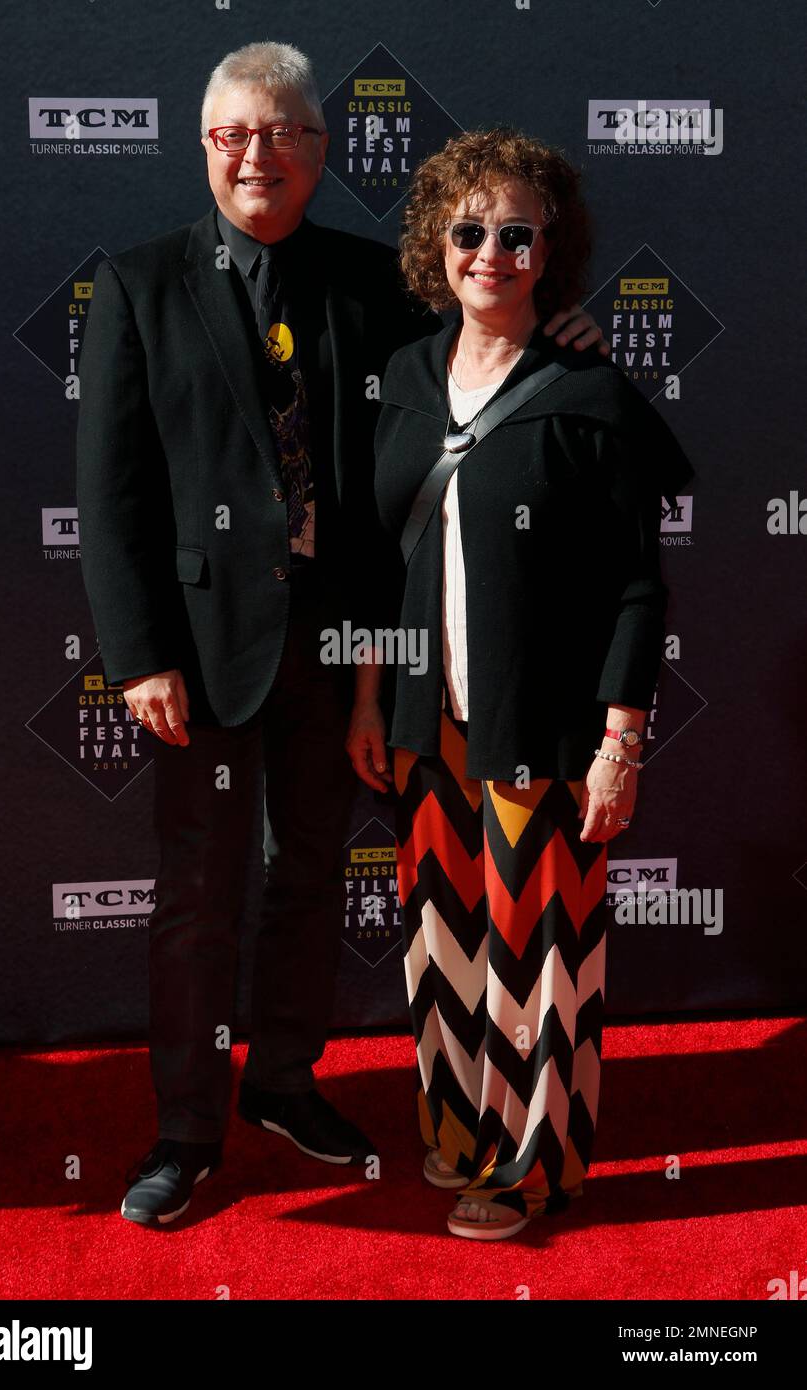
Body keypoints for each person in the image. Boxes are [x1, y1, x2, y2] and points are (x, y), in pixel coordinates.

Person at [76, 43, 610, 1228]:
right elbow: (109, 492)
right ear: (203, 147)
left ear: (319, 152)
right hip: (202, 652)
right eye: (231, 134)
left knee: (311, 876)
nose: (255, 154)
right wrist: (139, 652)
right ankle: (185, 1125)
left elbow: (478, 354)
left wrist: (566, 334)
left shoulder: (371, 284)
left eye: (280, 134)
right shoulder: (141, 283)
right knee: (199, 891)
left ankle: (281, 1081)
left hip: (335, 649)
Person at [347, 125, 694, 1240]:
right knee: (442, 936)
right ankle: (457, 1133)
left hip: (540, 720)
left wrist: (618, 741)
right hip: (420, 714)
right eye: (466, 231)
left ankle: (532, 1168)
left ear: (548, 251)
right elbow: (377, 557)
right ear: (433, 246)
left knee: (538, 949)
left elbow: (639, 588)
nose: (487, 252)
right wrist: (368, 694)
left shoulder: (586, 393)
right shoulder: (403, 374)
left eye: (513, 234)